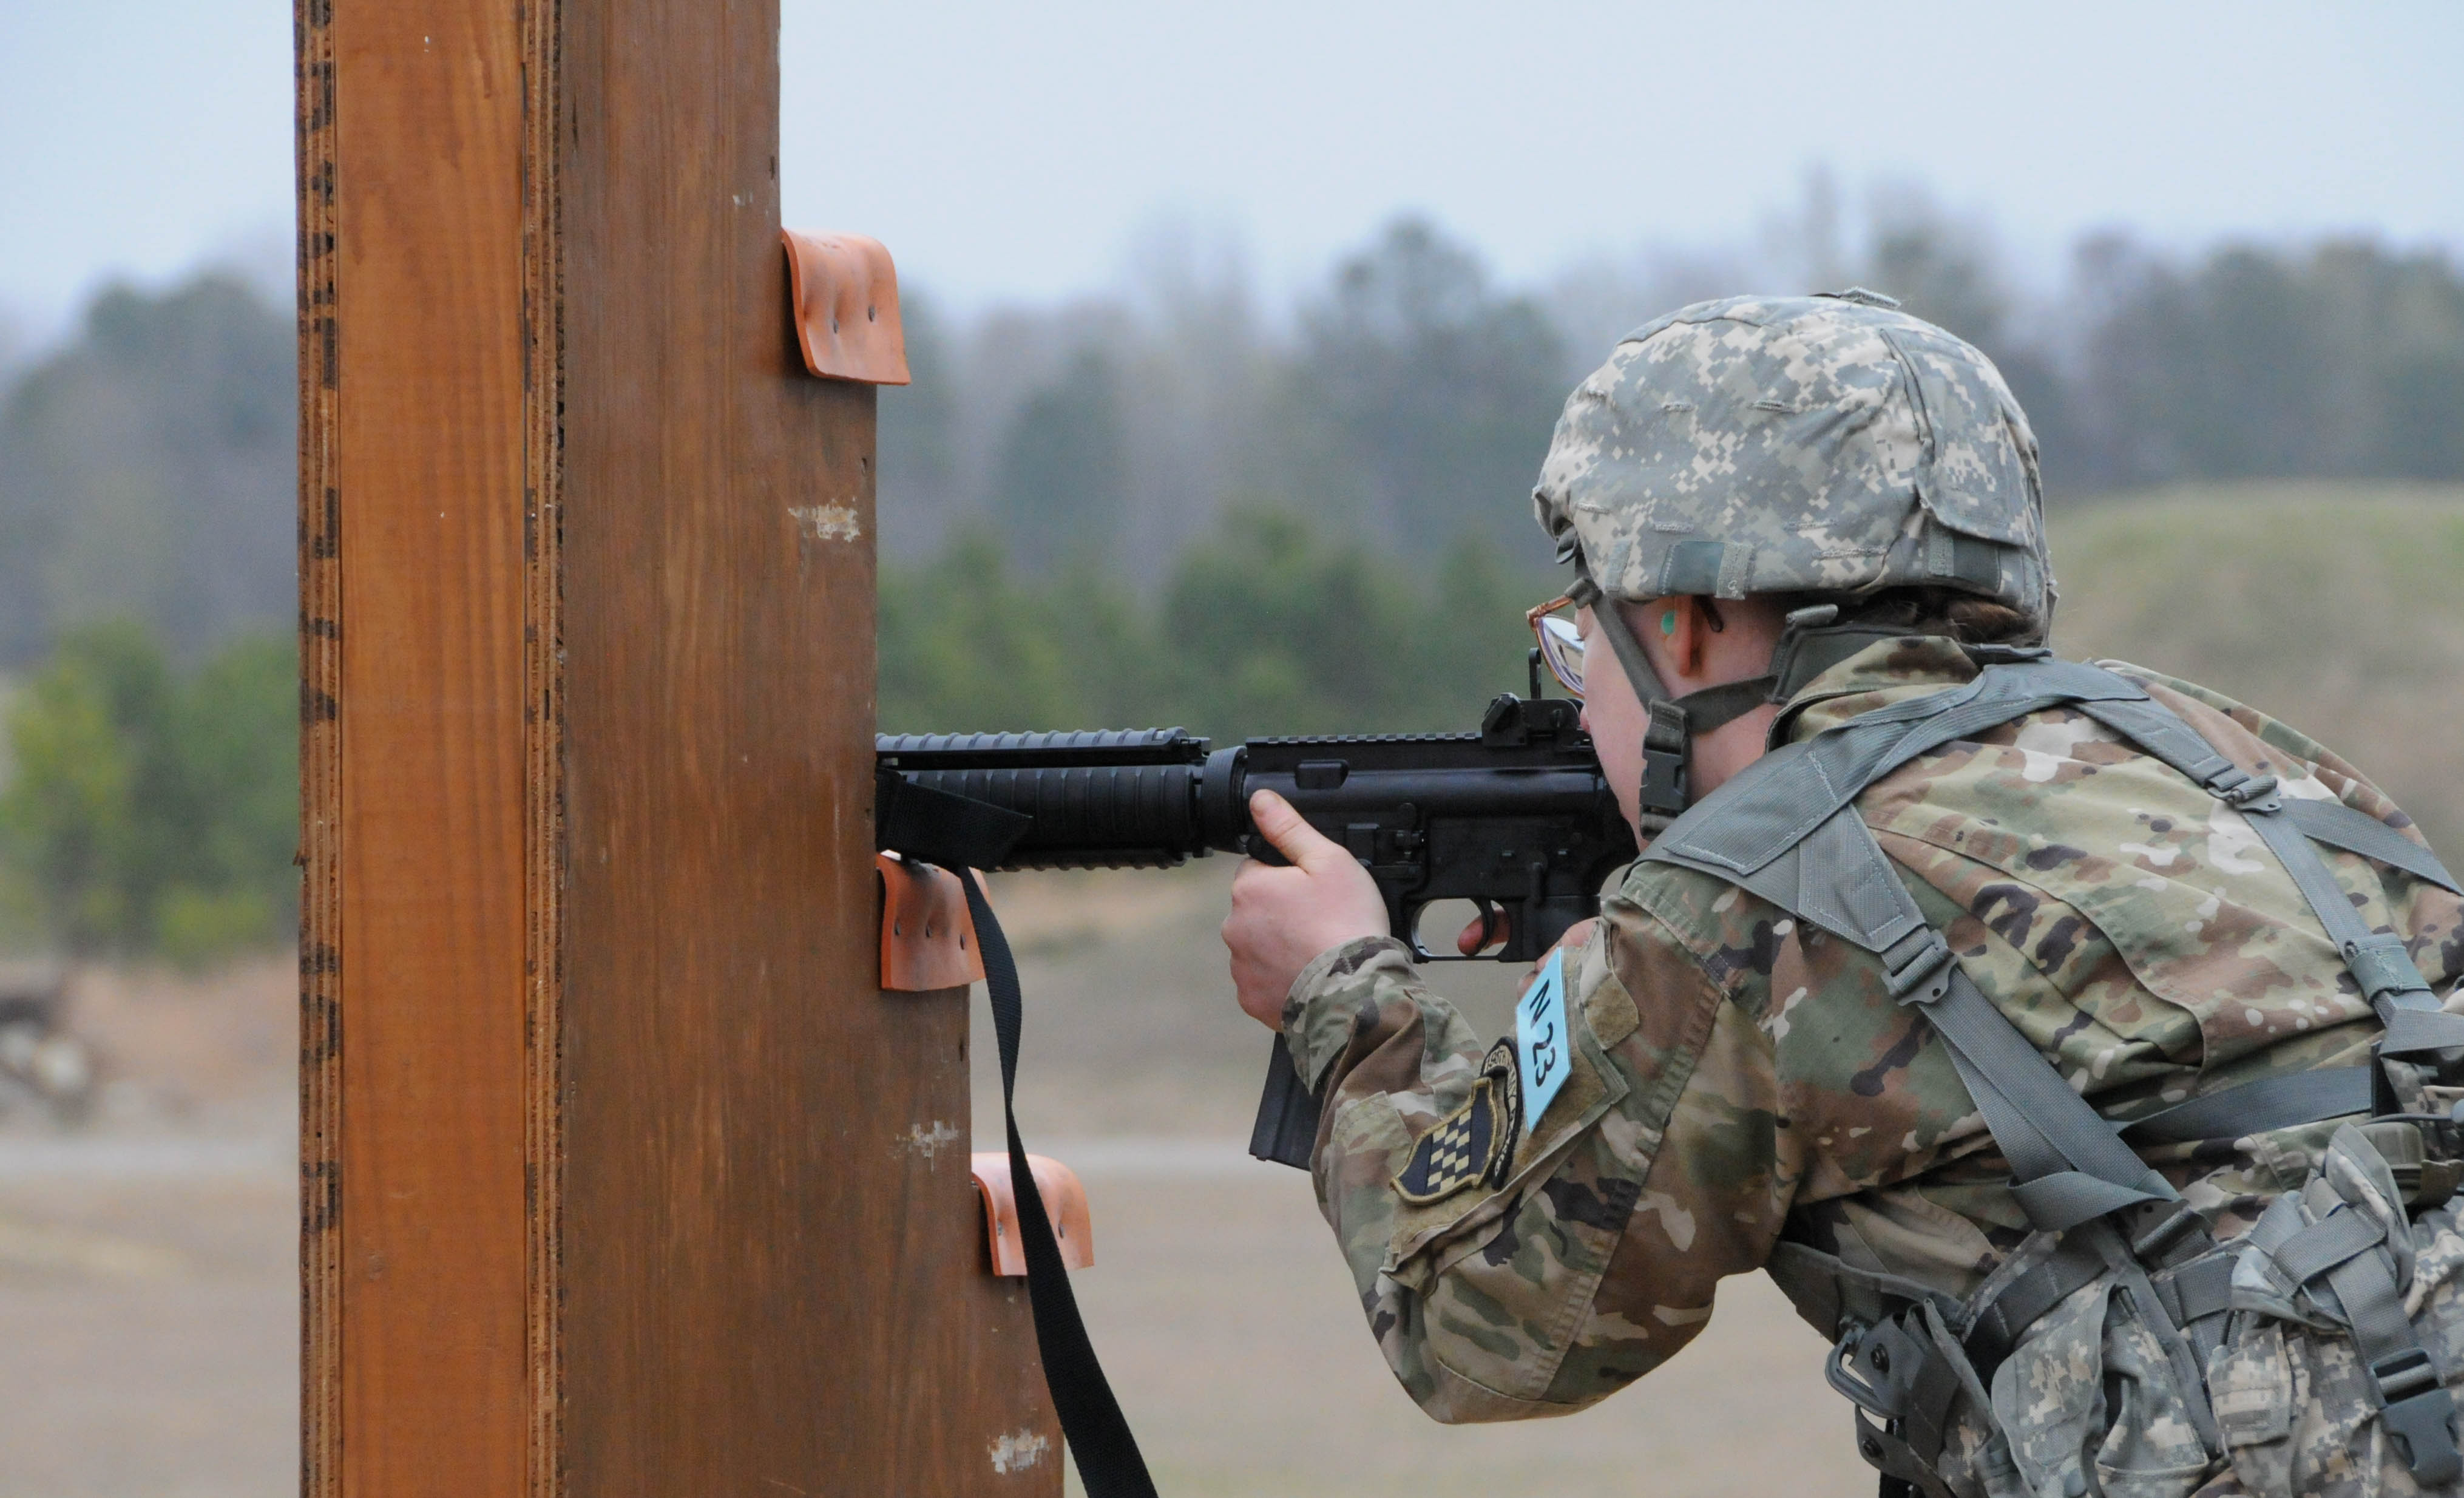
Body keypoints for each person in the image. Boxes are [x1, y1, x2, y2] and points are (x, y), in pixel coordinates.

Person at [1219, 290, 2464, 1497]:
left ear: (1687, 624)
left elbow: (1479, 1327)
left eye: (1582, 635)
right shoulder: (2231, 749)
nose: (1576, 679)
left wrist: (1343, 995)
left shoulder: (1740, 894)